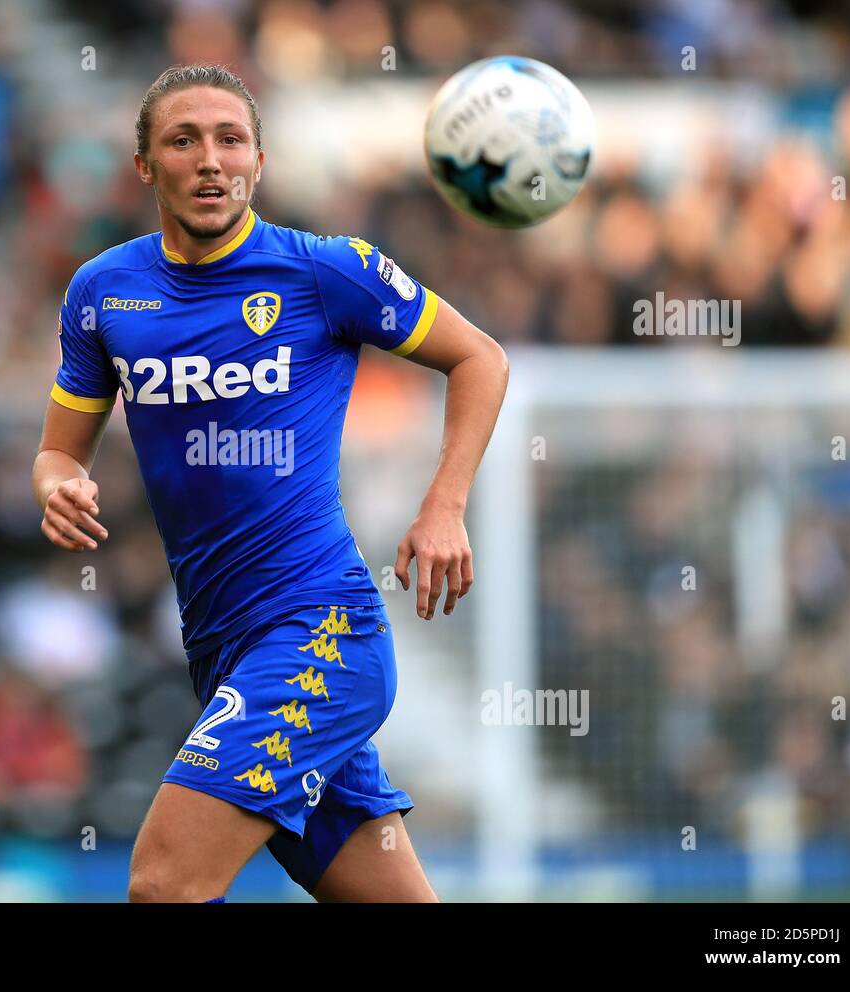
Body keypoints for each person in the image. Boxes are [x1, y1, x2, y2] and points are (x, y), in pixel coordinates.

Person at [32, 64, 509, 902]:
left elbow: (480, 357)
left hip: (321, 637)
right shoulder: (103, 293)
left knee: (162, 884)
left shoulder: (328, 273)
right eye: (184, 141)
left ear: (260, 160)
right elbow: (58, 452)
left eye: (230, 140)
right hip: (224, 649)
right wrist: (57, 482)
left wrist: (444, 506)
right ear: (145, 165)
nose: (210, 160)